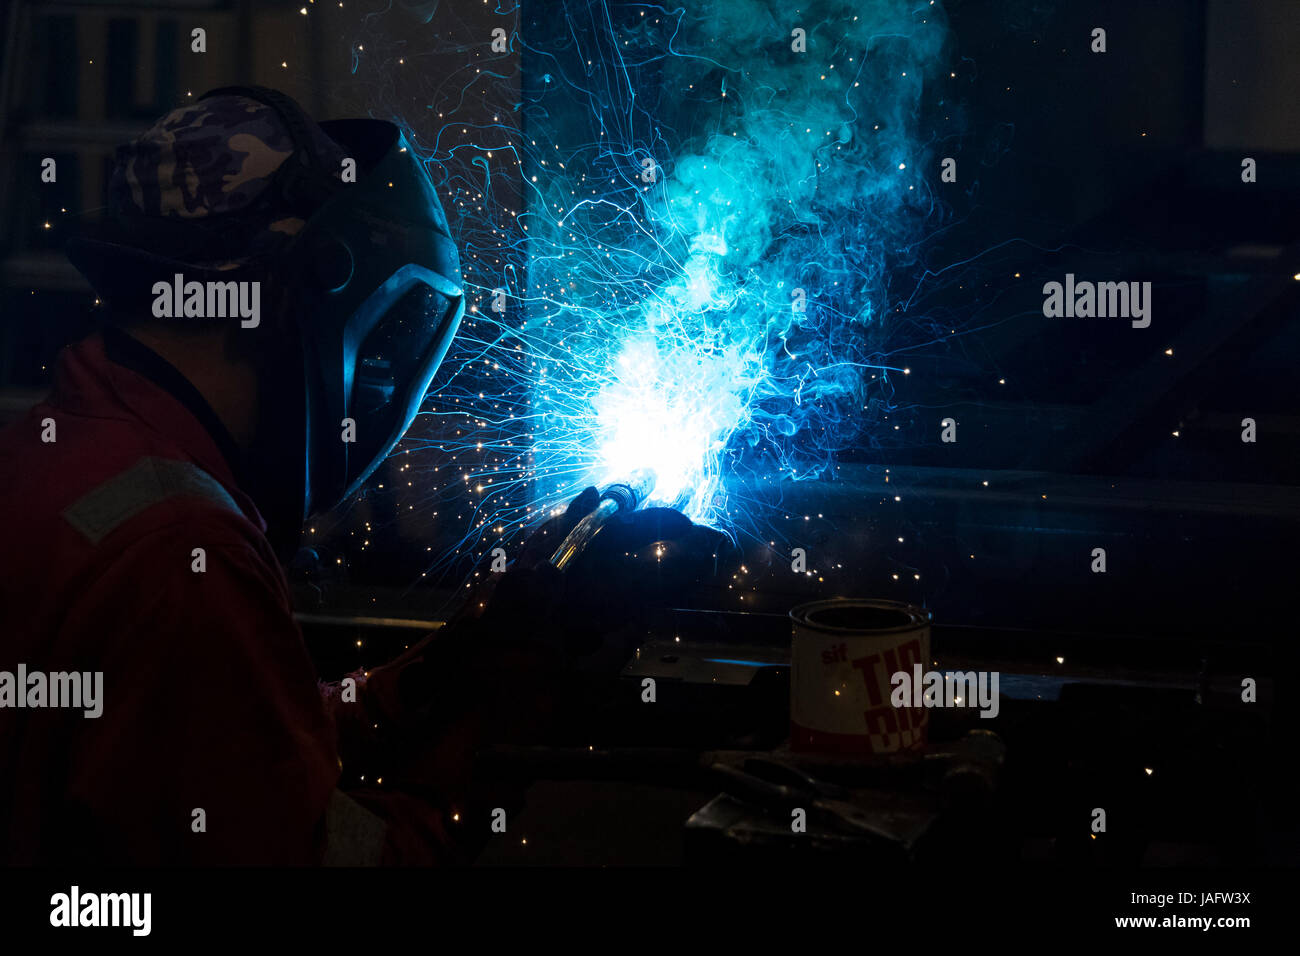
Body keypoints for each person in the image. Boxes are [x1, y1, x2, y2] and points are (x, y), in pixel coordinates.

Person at [0, 86, 726, 865]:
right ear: (307, 292)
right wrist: (487, 740)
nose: (381, 381)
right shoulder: (181, 552)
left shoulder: (57, 451)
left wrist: (444, 670)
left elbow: (237, 736)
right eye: (384, 338)